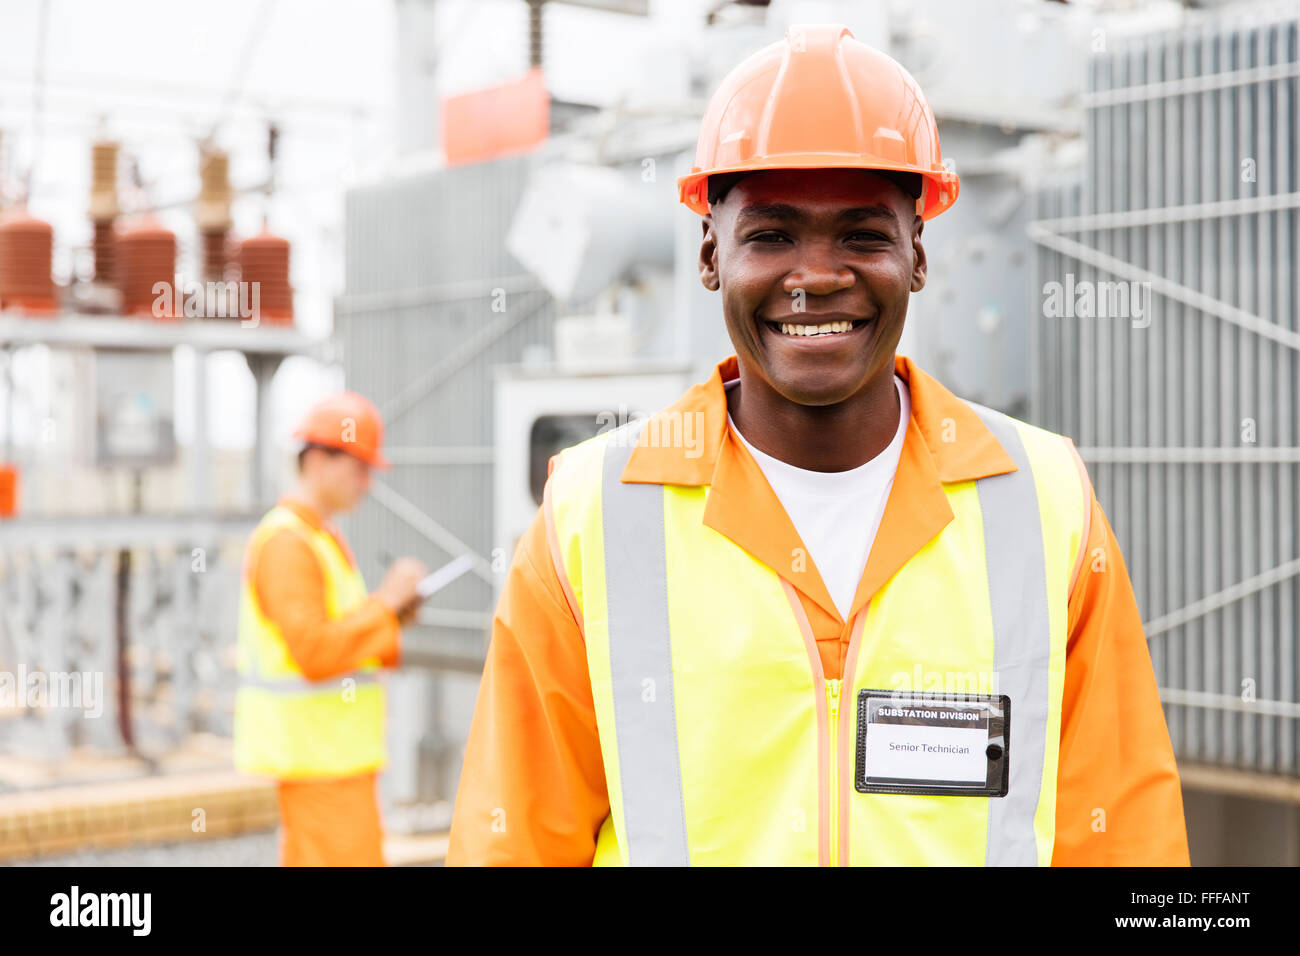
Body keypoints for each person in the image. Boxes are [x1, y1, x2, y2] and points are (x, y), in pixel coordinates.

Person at [447, 24, 1189, 866]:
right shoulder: (591, 516)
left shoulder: (1046, 500)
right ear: (710, 255)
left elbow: (1128, 840)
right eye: (770, 235)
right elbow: (513, 839)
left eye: (863, 235)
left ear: (916, 254)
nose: (818, 275)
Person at [233, 390, 428, 866]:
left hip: (333, 761)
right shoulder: (288, 543)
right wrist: (386, 604)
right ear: (319, 460)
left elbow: (342, 637)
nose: (367, 483)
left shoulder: (319, 537)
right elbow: (315, 651)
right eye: (360, 468)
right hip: (321, 763)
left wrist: (392, 613)